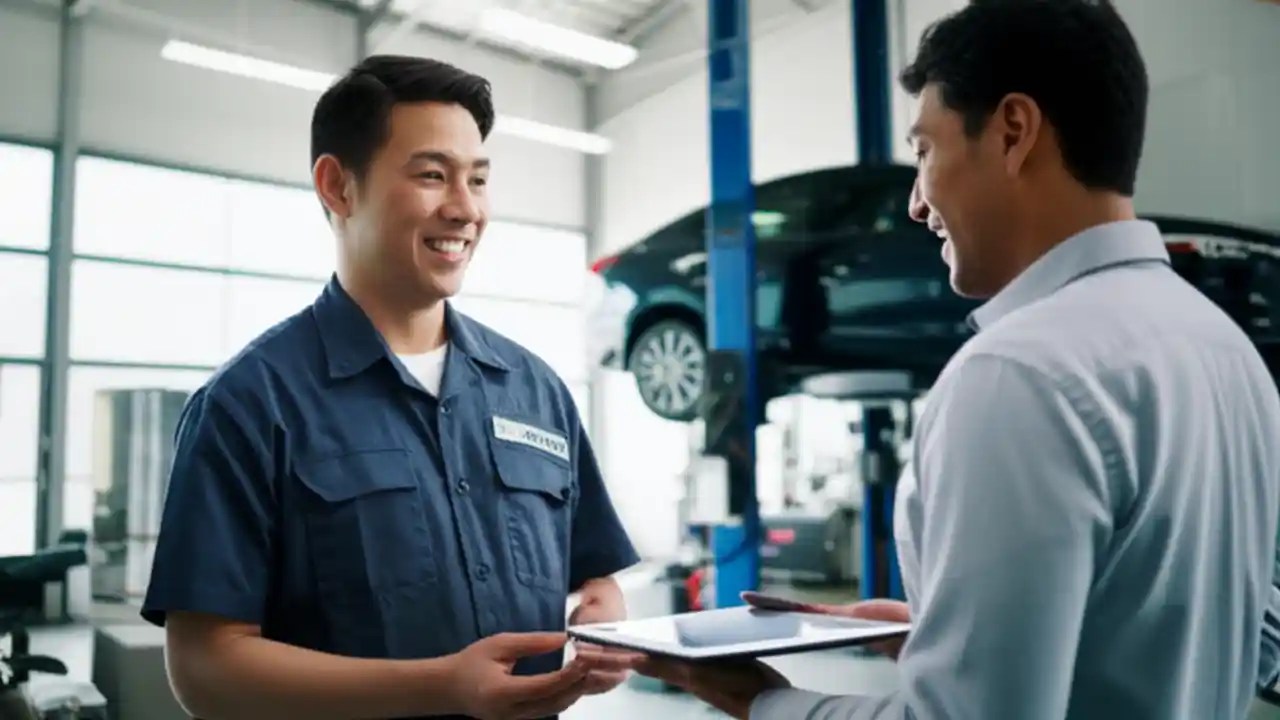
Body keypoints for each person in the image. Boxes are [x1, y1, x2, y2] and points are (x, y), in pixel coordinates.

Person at [636, 1, 1280, 718]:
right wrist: (959, 634)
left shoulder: (1020, 374)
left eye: (923, 151)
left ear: (1012, 132)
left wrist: (767, 704)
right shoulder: (1230, 354)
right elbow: (1246, 637)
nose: (915, 202)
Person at [141, 55, 641, 720]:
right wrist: (441, 685)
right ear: (338, 187)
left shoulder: (535, 390)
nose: (465, 209)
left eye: (479, 179)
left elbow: (594, 572)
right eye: (433, 176)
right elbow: (205, 667)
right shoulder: (251, 405)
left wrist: (603, 617)